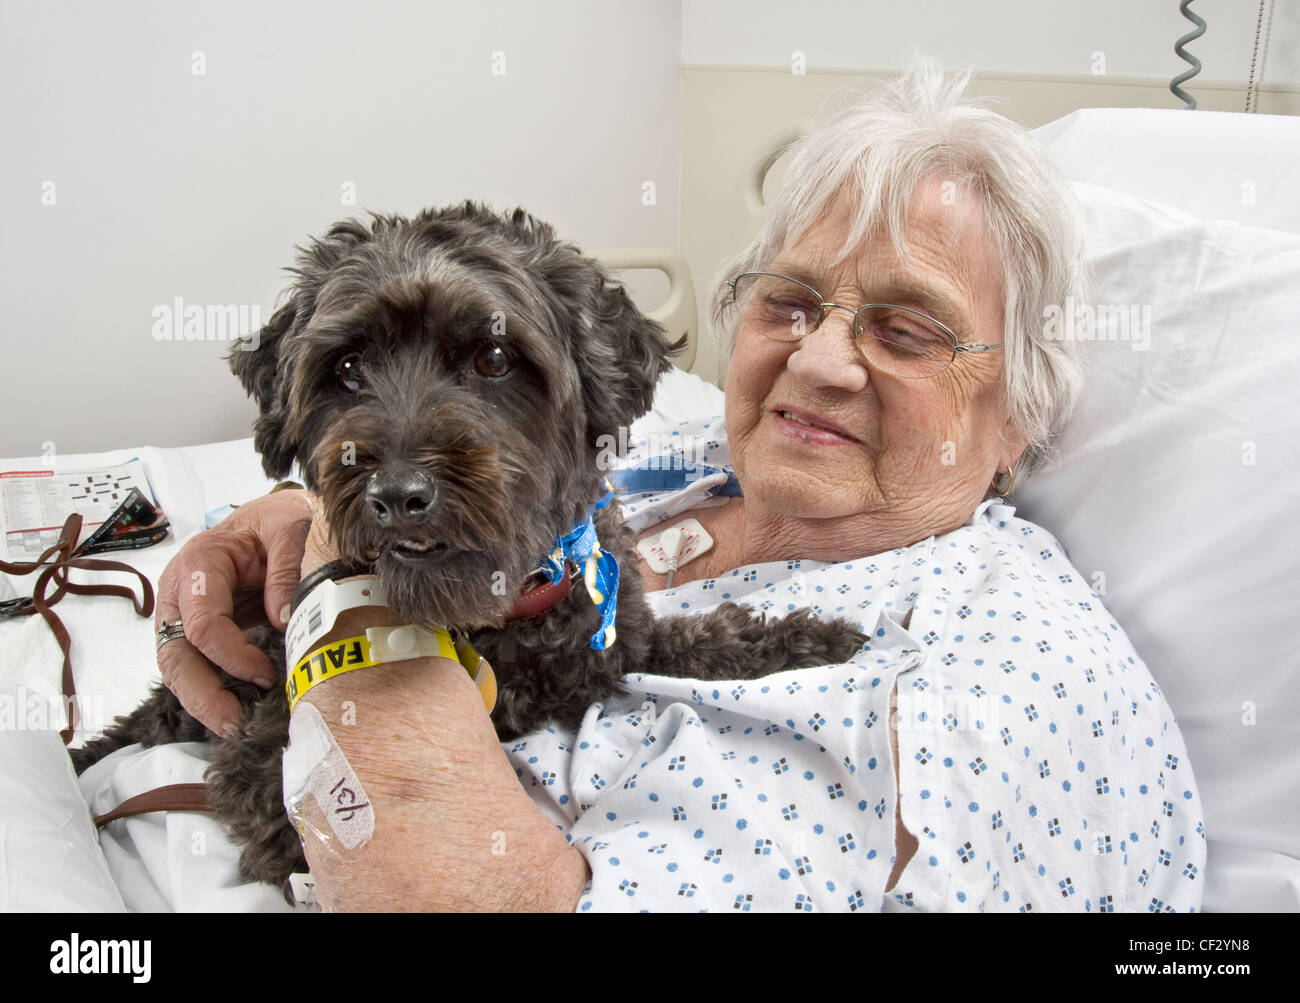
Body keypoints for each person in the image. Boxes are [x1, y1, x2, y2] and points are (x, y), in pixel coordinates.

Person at [154, 63, 1204, 912]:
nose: (822, 361)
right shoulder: (704, 445)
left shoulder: (972, 698)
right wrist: (289, 516)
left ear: (1014, 410)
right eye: (790, 303)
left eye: (905, 330)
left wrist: (348, 582)